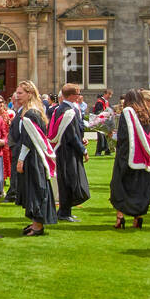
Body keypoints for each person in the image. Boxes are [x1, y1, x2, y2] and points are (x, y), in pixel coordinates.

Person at [12, 80, 57, 237]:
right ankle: (34, 222)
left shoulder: (31, 113)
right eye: (17, 93)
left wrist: (21, 160)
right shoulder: (30, 111)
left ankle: (38, 225)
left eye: (20, 93)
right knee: (31, 188)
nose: (17, 96)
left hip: (32, 158)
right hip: (32, 156)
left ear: (29, 94)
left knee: (35, 188)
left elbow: (29, 140)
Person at [108, 88, 150, 230]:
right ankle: (138, 217)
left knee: (121, 185)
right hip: (144, 157)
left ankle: (120, 217)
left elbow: (124, 137)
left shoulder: (128, 113)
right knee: (140, 187)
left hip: (127, 156)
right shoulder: (148, 114)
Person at [49, 83, 90, 222]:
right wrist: (83, 150)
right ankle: (64, 213)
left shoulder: (63, 109)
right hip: (66, 151)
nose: (79, 96)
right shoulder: (67, 111)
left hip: (65, 149)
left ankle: (65, 211)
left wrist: (81, 139)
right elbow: (70, 135)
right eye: (78, 93)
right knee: (67, 181)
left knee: (67, 180)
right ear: (72, 95)